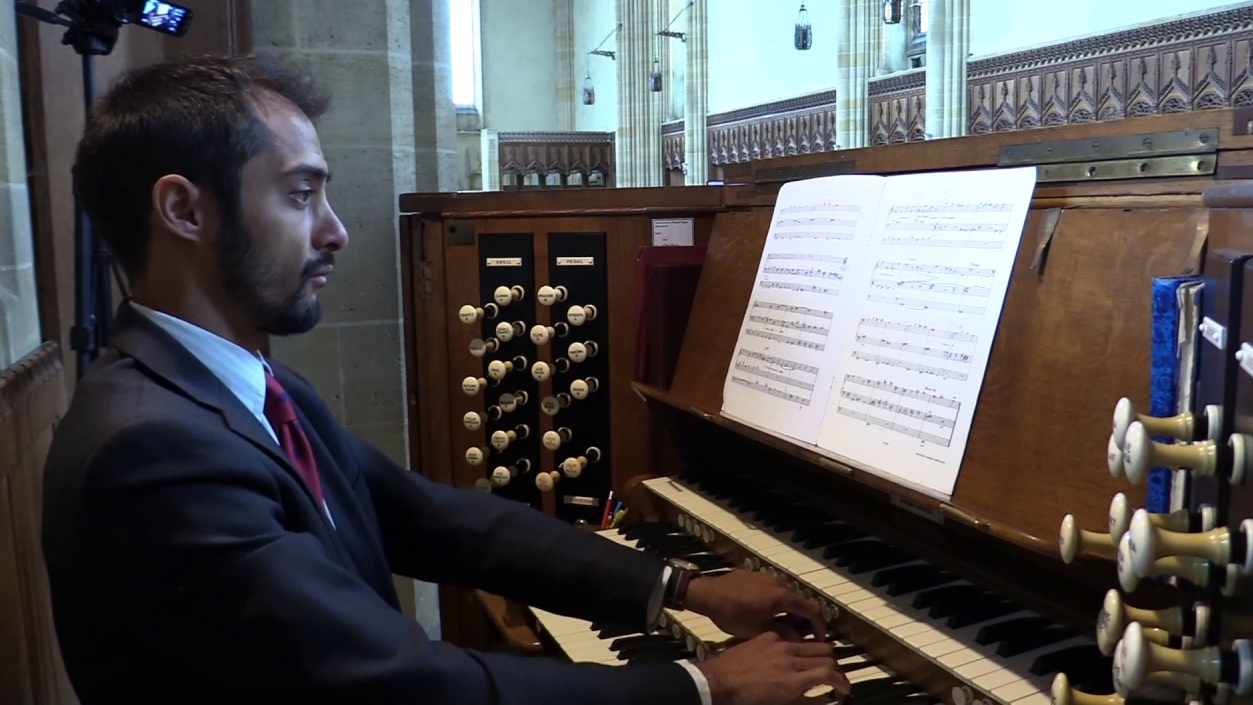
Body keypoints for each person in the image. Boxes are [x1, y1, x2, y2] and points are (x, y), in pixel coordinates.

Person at [41, 54, 850, 704]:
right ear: (184, 211)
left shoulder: (236, 387)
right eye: (300, 195)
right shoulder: (152, 450)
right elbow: (401, 682)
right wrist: (702, 682)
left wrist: (684, 588)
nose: (336, 231)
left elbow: (428, 518)